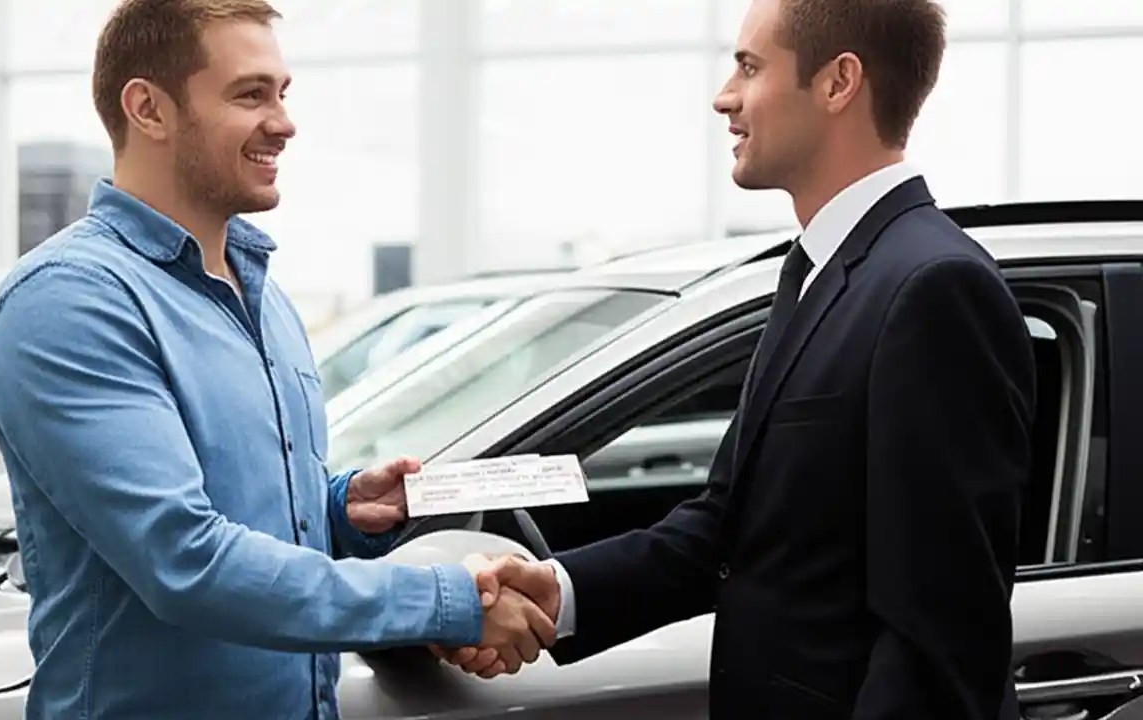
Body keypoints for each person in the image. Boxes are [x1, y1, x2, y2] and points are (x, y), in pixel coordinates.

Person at [440, 0, 1037, 717]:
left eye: (749, 67)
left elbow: (939, 631)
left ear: (839, 82)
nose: (724, 96)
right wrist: (559, 590)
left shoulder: (934, 286)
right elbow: (730, 529)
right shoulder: (822, 271)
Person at [0, 1, 552, 718]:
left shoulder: (261, 294)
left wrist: (340, 510)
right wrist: (446, 603)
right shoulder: (70, 302)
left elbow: (240, 511)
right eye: (251, 94)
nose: (283, 122)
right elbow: (186, 560)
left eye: (282, 93)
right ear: (148, 109)